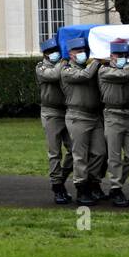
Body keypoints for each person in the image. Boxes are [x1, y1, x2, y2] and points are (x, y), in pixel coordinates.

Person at [60, 35, 105, 205]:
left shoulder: (91, 68)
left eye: (84, 50)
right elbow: (84, 76)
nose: (82, 53)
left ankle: (93, 182)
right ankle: (81, 187)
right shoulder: (67, 70)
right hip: (78, 116)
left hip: (94, 116)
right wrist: (97, 60)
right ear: (71, 54)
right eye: (78, 51)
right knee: (80, 155)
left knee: (100, 152)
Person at [97, 39, 129, 207]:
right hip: (112, 115)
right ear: (111, 55)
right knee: (114, 156)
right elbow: (124, 75)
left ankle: (116, 184)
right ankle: (115, 188)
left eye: (124, 55)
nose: (121, 57)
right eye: (118, 54)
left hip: (128, 115)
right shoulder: (104, 70)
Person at [35, 37, 73, 204]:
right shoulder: (41, 67)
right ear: (45, 54)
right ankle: (57, 186)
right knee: (55, 151)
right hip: (51, 112)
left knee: (74, 149)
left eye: (56, 50)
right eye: (51, 52)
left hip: (67, 111)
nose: (54, 54)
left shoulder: (64, 65)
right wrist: (64, 60)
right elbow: (54, 75)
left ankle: (61, 178)